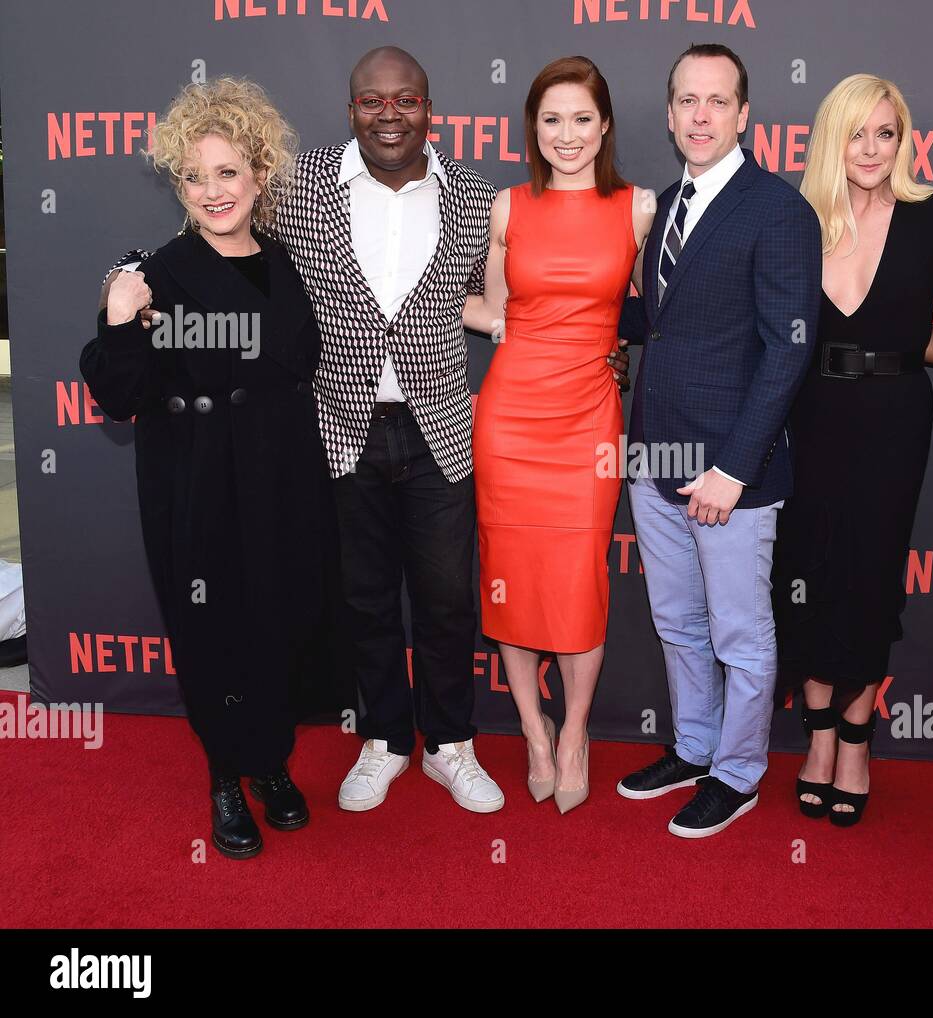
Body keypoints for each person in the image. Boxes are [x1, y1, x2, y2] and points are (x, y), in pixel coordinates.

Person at [100, 47, 634, 818]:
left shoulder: (476, 195)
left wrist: (598, 345)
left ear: (429, 109)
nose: (390, 113)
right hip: (336, 429)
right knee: (365, 599)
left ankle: (451, 744)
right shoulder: (301, 184)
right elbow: (211, 239)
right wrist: (123, 286)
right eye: (373, 101)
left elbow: (512, 299)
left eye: (406, 99)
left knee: (450, 601)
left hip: (443, 429)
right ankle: (383, 740)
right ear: (352, 110)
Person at [81, 77, 332, 859]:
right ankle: (227, 776)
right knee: (217, 632)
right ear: (177, 184)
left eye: (228, 172)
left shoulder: (285, 262)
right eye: (195, 176)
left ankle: (269, 764)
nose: (213, 190)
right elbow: (122, 393)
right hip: (200, 491)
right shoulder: (157, 274)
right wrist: (119, 322)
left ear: (259, 174)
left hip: (284, 483)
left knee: (281, 628)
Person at [615, 44, 822, 838]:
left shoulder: (778, 210)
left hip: (731, 471)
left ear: (743, 115)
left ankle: (736, 774)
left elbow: (789, 348)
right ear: (669, 116)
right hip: (656, 455)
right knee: (677, 623)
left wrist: (735, 468)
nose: (700, 116)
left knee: (739, 632)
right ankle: (696, 746)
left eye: (717, 101)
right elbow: (658, 325)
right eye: (686, 101)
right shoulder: (666, 203)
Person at [772, 74, 933, 827]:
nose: (870, 148)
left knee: (869, 578)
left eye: (885, 133)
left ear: (904, 139)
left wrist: (902, 346)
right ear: (831, 138)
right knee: (806, 573)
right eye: (856, 132)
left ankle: (857, 745)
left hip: (893, 418)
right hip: (806, 417)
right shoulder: (795, 218)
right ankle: (818, 741)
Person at [463, 57, 655, 814]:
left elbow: (659, 312)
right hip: (511, 415)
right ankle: (531, 731)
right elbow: (485, 305)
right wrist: (523, 327)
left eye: (581, 119)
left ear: (604, 124)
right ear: (532, 129)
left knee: (578, 577)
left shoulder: (638, 206)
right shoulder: (508, 207)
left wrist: (592, 342)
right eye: (551, 120)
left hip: (588, 421)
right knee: (509, 574)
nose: (566, 135)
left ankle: (574, 731)